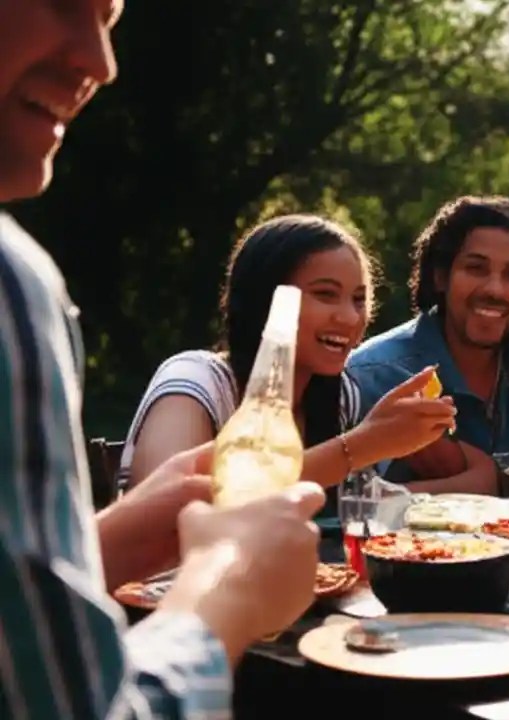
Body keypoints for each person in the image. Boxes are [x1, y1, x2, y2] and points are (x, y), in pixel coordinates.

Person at [1, 2, 320, 717]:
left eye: (108, 16)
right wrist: (228, 582)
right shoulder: (8, 286)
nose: (101, 62)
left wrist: (104, 542)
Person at [121, 215, 457, 518]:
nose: (351, 317)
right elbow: (167, 514)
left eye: (358, 299)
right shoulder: (197, 381)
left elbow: (362, 510)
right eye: (325, 294)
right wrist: (357, 447)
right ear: (266, 301)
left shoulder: (341, 398)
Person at [347, 195, 509, 493]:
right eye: (476, 268)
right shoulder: (374, 373)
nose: (495, 289)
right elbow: (357, 502)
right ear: (440, 277)